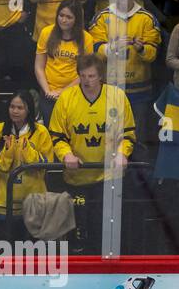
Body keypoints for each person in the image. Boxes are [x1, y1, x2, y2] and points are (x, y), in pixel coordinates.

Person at [49, 53, 134, 252]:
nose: (87, 81)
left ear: (101, 76)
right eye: (83, 76)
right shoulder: (66, 98)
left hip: (108, 177)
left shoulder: (117, 96)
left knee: (104, 230)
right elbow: (57, 136)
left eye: (92, 76)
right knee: (78, 233)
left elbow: (128, 133)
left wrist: (123, 153)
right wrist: (66, 155)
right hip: (77, 177)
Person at [88, 0, 160, 138]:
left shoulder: (147, 19)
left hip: (139, 90)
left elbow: (152, 54)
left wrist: (141, 48)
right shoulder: (102, 17)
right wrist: (112, 47)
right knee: (110, 133)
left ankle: (137, 161)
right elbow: (95, 51)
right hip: (109, 87)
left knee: (137, 133)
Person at [0, 88, 53, 223]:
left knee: (31, 243)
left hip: (33, 198)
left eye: (20, 108)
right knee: (5, 242)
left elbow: (46, 164)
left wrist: (26, 149)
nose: (15, 111)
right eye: (12, 107)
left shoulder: (41, 132)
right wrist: (8, 152)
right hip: (3, 200)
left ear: (28, 110)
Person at [35, 0, 94, 121]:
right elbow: (39, 66)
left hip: (74, 93)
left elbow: (85, 72)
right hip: (48, 93)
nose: (64, 20)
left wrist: (62, 91)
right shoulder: (46, 32)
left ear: (76, 20)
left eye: (69, 17)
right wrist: (47, 91)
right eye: (61, 15)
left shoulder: (86, 38)